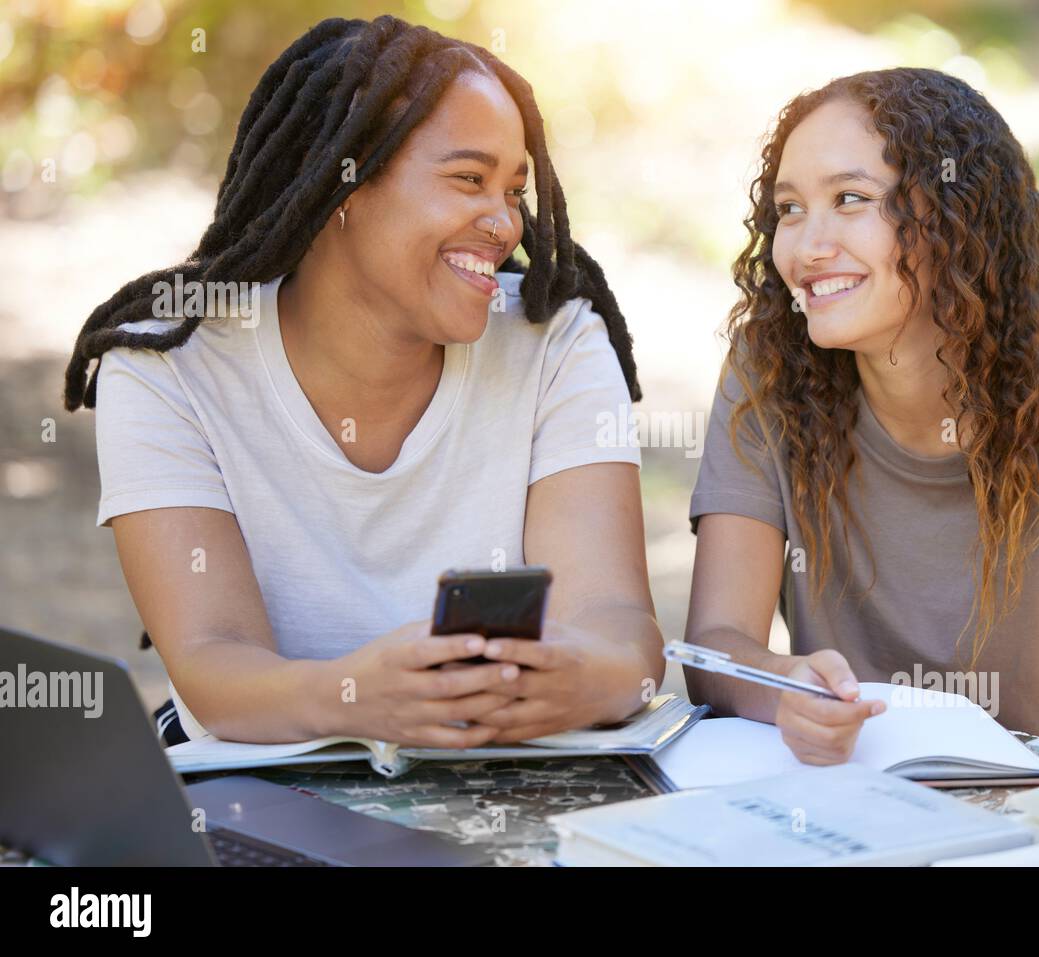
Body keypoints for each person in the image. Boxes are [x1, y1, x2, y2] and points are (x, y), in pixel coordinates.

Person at [64, 16, 663, 748]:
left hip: (503, 784)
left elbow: (621, 633)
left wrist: (577, 681)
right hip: (264, 789)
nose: (505, 224)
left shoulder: (558, 342)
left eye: (514, 191)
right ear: (343, 183)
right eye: (469, 179)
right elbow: (212, 659)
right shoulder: (167, 366)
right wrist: (357, 698)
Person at [685, 67, 1039, 763]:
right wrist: (784, 686)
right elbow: (715, 646)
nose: (808, 246)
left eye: (850, 199)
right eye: (788, 208)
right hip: (849, 806)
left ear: (957, 218)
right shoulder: (772, 376)